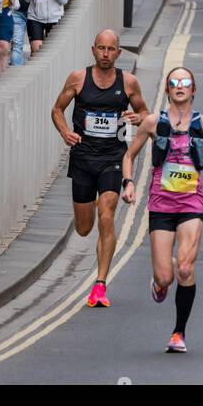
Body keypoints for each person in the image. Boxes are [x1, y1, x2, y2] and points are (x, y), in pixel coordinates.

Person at [121, 67, 203, 353]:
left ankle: (178, 333)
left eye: (185, 82)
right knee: (165, 277)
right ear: (169, 89)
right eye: (174, 82)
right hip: (161, 203)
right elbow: (128, 155)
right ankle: (160, 280)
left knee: (185, 267)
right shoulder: (151, 123)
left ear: (193, 89)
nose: (179, 86)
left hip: (191, 203)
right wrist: (128, 182)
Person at [51, 30, 150, 308]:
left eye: (111, 50)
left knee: (107, 215)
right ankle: (95, 200)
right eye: (101, 49)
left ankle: (99, 284)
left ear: (119, 53)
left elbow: (146, 114)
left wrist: (136, 116)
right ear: (93, 50)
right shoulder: (78, 79)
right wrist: (65, 133)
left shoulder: (128, 83)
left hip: (112, 158)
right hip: (83, 158)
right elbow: (57, 109)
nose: (106, 54)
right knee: (84, 228)